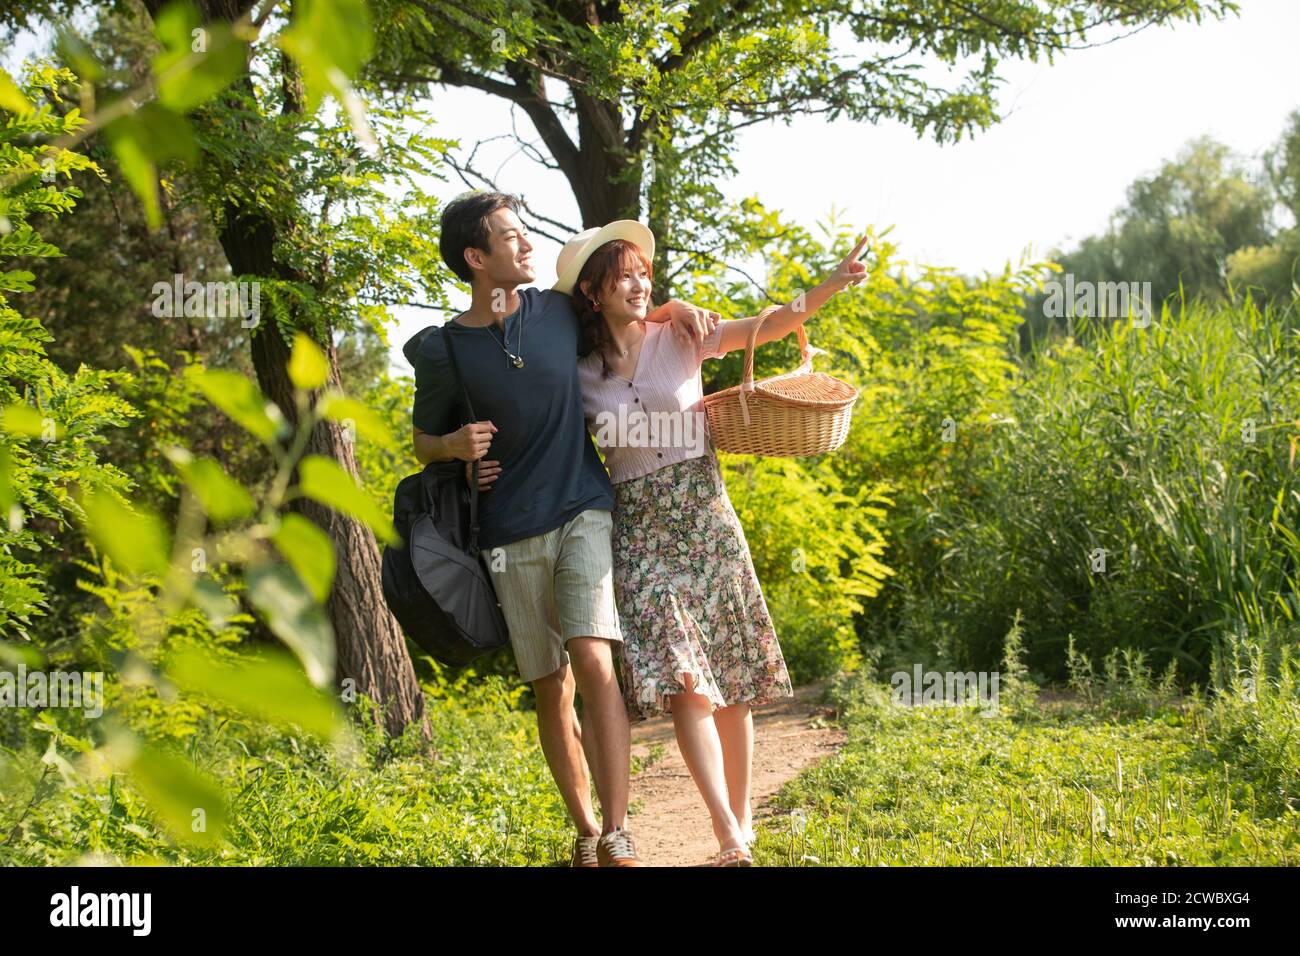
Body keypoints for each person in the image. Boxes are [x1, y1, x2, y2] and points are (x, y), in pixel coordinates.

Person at [533, 220, 864, 865]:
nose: (640, 282)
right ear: (594, 291)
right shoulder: (576, 374)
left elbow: (765, 326)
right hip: (640, 534)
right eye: (623, 274)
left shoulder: (681, 335)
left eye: (643, 273)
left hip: (708, 519)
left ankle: (739, 824)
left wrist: (830, 284)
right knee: (687, 681)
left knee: (733, 684)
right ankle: (726, 830)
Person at [407, 192, 719, 868]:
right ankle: (583, 828)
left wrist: (676, 310)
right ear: (475, 257)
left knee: (594, 659)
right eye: (510, 237)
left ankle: (617, 831)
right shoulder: (445, 350)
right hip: (506, 530)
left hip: (584, 506)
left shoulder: (556, 311)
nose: (526, 245)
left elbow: (623, 308)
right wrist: (454, 446)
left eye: (523, 234)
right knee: (552, 684)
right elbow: (422, 441)